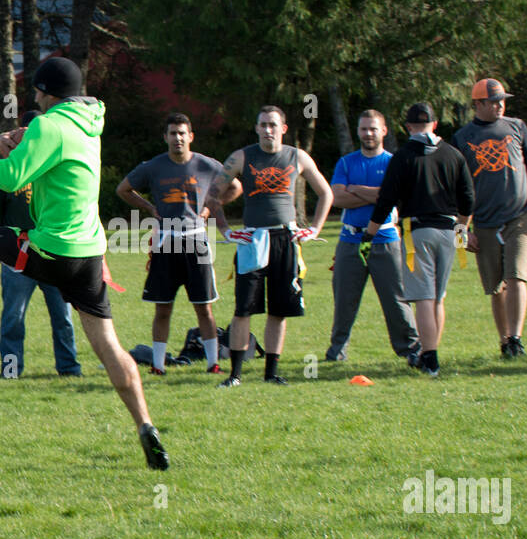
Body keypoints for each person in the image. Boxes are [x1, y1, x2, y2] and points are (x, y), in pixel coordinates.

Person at [0, 56, 171, 470]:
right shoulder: (87, 123)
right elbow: (46, 168)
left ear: (47, 92)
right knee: (109, 346)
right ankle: (146, 425)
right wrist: (20, 144)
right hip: (90, 253)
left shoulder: (48, 124)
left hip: (52, 250)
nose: (35, 98)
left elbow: (8, 179)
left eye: (38, 92)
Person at [204, 104, 333, 387]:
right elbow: (212, 194)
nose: (267, 130)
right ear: (256, 128)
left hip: (285, 239)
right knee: (243, 309)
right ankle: (235, 375)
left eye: (273, 125)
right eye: (262, 125)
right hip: (253, 240)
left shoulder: (298, 157)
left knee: (279, 309)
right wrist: (225, 229)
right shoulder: (241, 156)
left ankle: (271, 373)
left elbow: (326, 193)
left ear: (283, 129)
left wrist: (314, 229)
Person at [362, 103, 474, 378]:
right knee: (438, 296)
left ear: (408, 127)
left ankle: (430, 358)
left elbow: (386, 199)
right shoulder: (453, 154)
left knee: (423, 296)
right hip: (449, 230)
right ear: (435, 125)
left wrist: (370, 233)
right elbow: (468, 199)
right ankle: (428, 351)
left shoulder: (402, 157)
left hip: (417, 231)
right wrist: (462, 233)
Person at [115, 112, 229, 375]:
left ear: (190, 136)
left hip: (196, 241)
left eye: (182, 133)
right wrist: (148, 207)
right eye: (172, 133)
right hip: (167, 242)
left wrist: (210, 208)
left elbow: (234, 186)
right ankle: (157, 365)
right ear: (165, 137)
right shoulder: (153, 166)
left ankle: (213, 364)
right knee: (163, 307)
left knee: (204, 307)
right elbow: (123, 189)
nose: (177, 138)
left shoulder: (206, 165)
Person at [452, 78, 527, 358]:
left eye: (502, 100)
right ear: (478, 104)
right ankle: (504, 340)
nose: (499, 105)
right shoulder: (462, 138)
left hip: (519, 216)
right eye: (494, 101)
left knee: (517, 276)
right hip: (484, 222)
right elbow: (456, 188)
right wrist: (461, 232)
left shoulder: (517, 127)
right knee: (495, 287)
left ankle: (516, 338)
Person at [0, 111, 82, 379]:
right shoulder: (8, 169)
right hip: (18, 252)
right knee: (13, 317)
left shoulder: (54, 166)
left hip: (51, 251)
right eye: (25, 131)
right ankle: (11, 370)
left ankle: (69, 368)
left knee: (62, 316)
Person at [326, 109, 420, 366]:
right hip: (350, 241)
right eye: (364, 129)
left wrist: (355, 190)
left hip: (385, 239)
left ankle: (410, 348)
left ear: (384, 131)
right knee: (344, 300)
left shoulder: (394, 161)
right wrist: (378, 194)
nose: (368, 134)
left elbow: (394, 197)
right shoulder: (346, 163)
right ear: (358, 131)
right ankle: (337, 350)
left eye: (373, 129)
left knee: (396, 300)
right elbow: (337, 198)